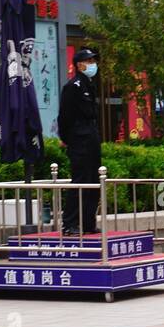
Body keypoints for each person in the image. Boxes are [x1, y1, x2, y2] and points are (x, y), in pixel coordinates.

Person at [57, 48, 102, 235]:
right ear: (79, 64)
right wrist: (68, 140)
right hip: (79, 141)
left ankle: (88, 222)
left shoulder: (89, 85)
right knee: (80, 182)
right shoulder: (72, 87)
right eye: (88, 61)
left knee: (93, 181)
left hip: (91, 138)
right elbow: (64, 117)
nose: (92, 64)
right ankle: (70, 223)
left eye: (93, 60)